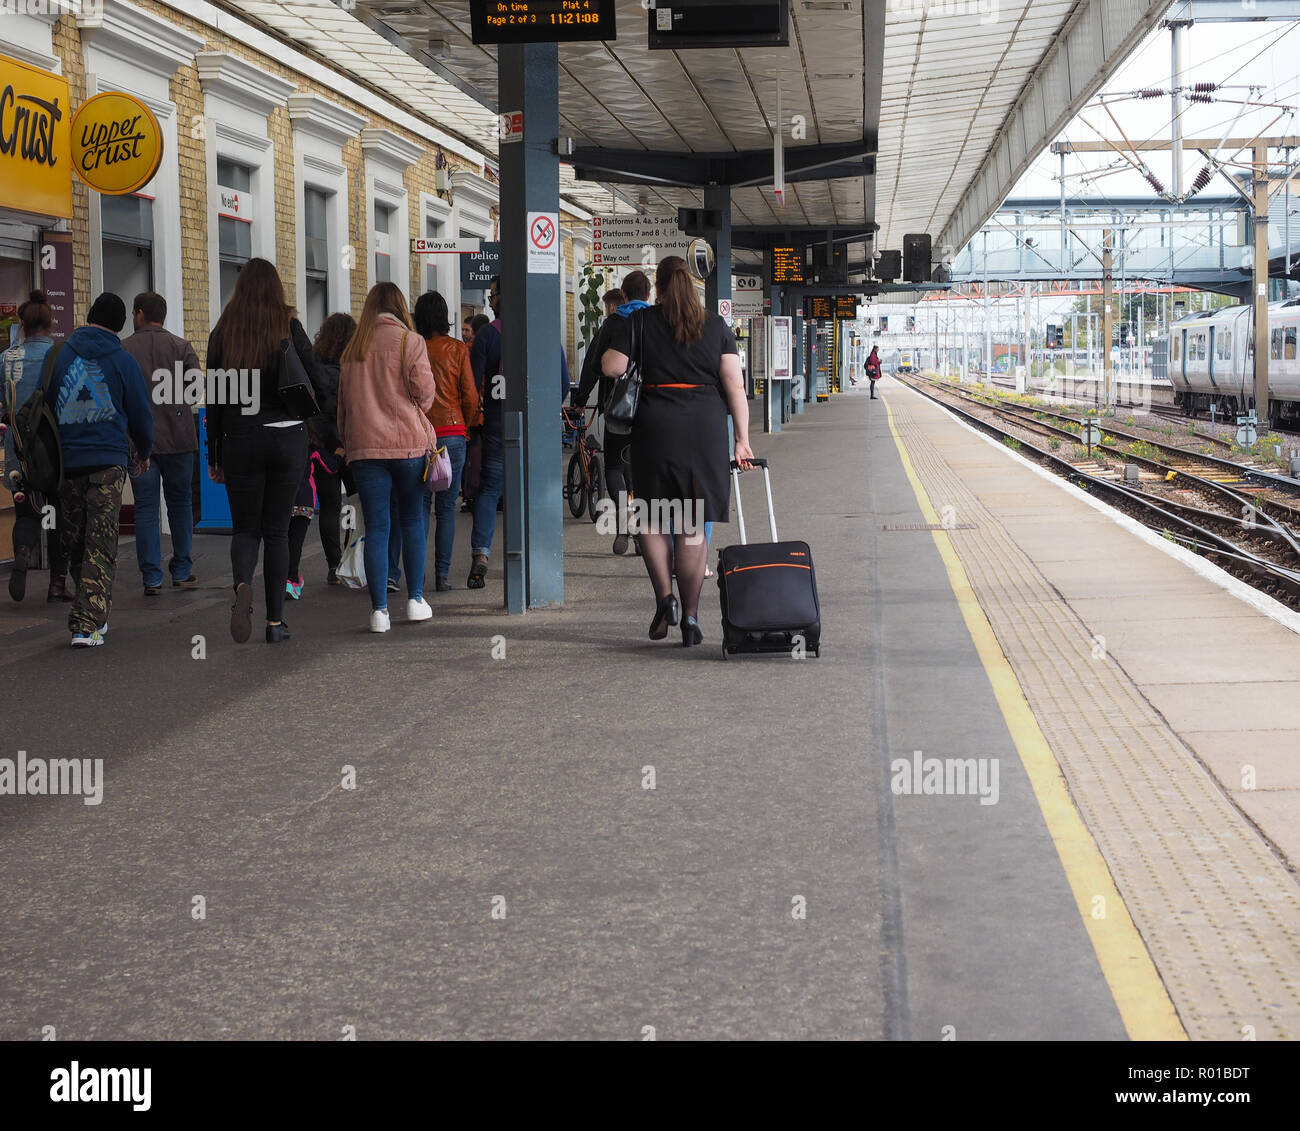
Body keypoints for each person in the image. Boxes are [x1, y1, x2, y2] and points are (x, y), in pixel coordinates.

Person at [602, 256, 753, 648]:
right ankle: (690, 617)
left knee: (651, 517)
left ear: (660, 286)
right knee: (690, 523)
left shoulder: (641, 321)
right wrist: (742, 439)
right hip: (703, 428)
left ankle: (664, 600)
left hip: (657, 425)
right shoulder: (715, 325)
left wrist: (616, 352)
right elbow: (735, 385)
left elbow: (612, 368)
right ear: (693, 285)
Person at [206, 258, 322, 644]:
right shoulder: (288, 326)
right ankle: (276, 623)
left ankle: (242, 587)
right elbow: (317, 381)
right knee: (276, 532)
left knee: (244, 530)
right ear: (276, 289)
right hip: (287, 438)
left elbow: (217, 401)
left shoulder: (224, 332)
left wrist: (215, 457)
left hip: (241, 439)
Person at [50, 293, 154, 647]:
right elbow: (140, 412)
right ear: (120, 325)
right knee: (100, 540)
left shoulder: (61, 355)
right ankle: (87, 623)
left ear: (90, 315)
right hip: (108, 462)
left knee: (75, 539)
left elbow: (45, 403)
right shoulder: (123, 362)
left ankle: (89, 608)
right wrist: (144, 450)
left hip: (67, 463)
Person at [337, 282, 437, 633]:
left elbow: (344, 408)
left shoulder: (353, 348)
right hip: (407, 446)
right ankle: (415, 601)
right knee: (412, 521)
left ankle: (379, 612)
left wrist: (349, 444)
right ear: (399, 308)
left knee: (376, 527)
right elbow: (425, 395)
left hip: (365, 450)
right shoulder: (412, 342)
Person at [466, 277, 570, 588]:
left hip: (499, 424)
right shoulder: (546, 333)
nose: (489, 299)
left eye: (492, 294)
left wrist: (483, 410)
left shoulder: (486, 336)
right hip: (537, 426)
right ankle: (536, 554)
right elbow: (563, 383)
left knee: (489, 490)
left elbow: (471, 383)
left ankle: (481, 555)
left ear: (500, 299)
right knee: (535, 488)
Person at [122, 292, 201, 596]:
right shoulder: (181, 347)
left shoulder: (124, 349)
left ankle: (151, 578)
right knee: (180, 504)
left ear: (139, 313)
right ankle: (182, 570)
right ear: (163, 316)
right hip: (179, 440)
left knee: (146, 508)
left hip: (139, 443)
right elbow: (195, 393)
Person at [573, 272, 652, 555]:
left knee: (615, 469)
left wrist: (580, 398)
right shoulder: (657, 321)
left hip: (619, 409)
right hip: (653, 410)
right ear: (649, 294)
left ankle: (624, 522)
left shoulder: (614, 323)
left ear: (624, 295)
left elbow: (594, 363)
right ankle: (643, 530)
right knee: (640, 469)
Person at [1, 290, 73, 603]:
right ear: (49, 322)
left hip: (19, 448)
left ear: (22, 325)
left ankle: (23, 552)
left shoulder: (6, 358)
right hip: (55, 450)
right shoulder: (63, 354)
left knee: (27, 514)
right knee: (57, 515)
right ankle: (57, 585)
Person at [414, 290, 481, 592]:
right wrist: (465, 425)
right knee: (446, 508)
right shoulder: (457, 349)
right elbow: (470, 395)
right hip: (453, 435)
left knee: (419, 506)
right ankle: (442, 576)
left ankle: (415, 575)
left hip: (419, 435)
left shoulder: (412, 347)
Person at [286, 312, 354, 594]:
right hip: (347, 446)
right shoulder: (349, 371)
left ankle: (334, 565)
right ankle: (351, 563)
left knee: (329, 506)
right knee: (353, 506)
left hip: (319, 447)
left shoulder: (314, 370)